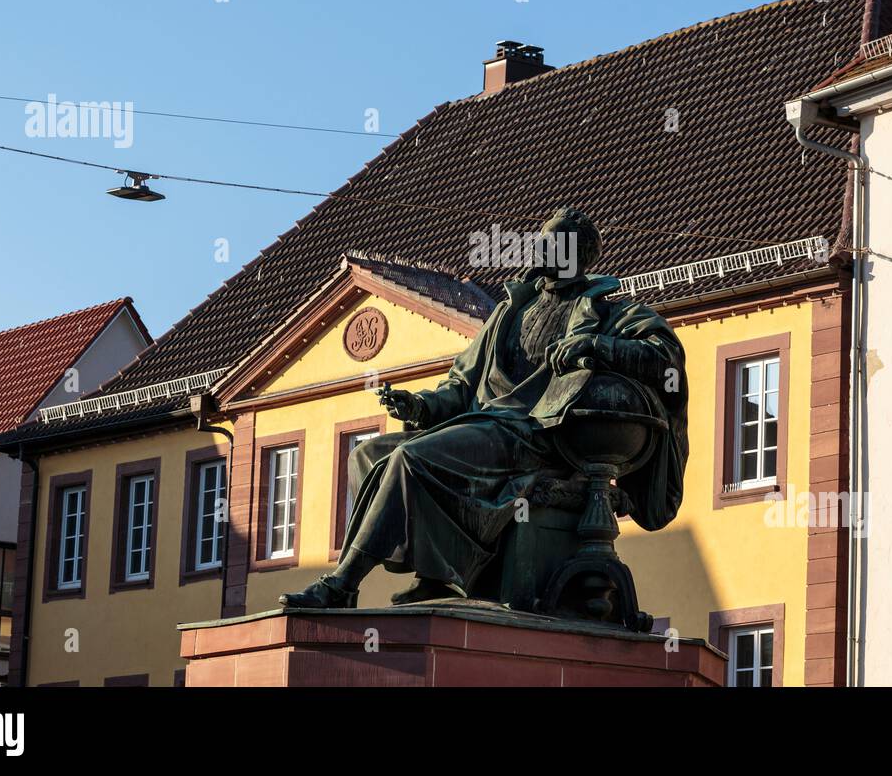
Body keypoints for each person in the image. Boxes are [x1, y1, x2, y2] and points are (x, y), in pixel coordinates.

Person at [280, 206, 688, 609]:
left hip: (535, 433)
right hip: (485, 421)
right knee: (366, 455)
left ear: (578, 257)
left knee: (409, 459)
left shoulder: (606, 311)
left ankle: (342, 584)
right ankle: (436, 574)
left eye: (554, 241)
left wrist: (595, 345)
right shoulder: (511, 308)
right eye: (541, 238)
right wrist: (420, 406)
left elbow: (665, 355)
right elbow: (461, 384)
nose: (541, 246)